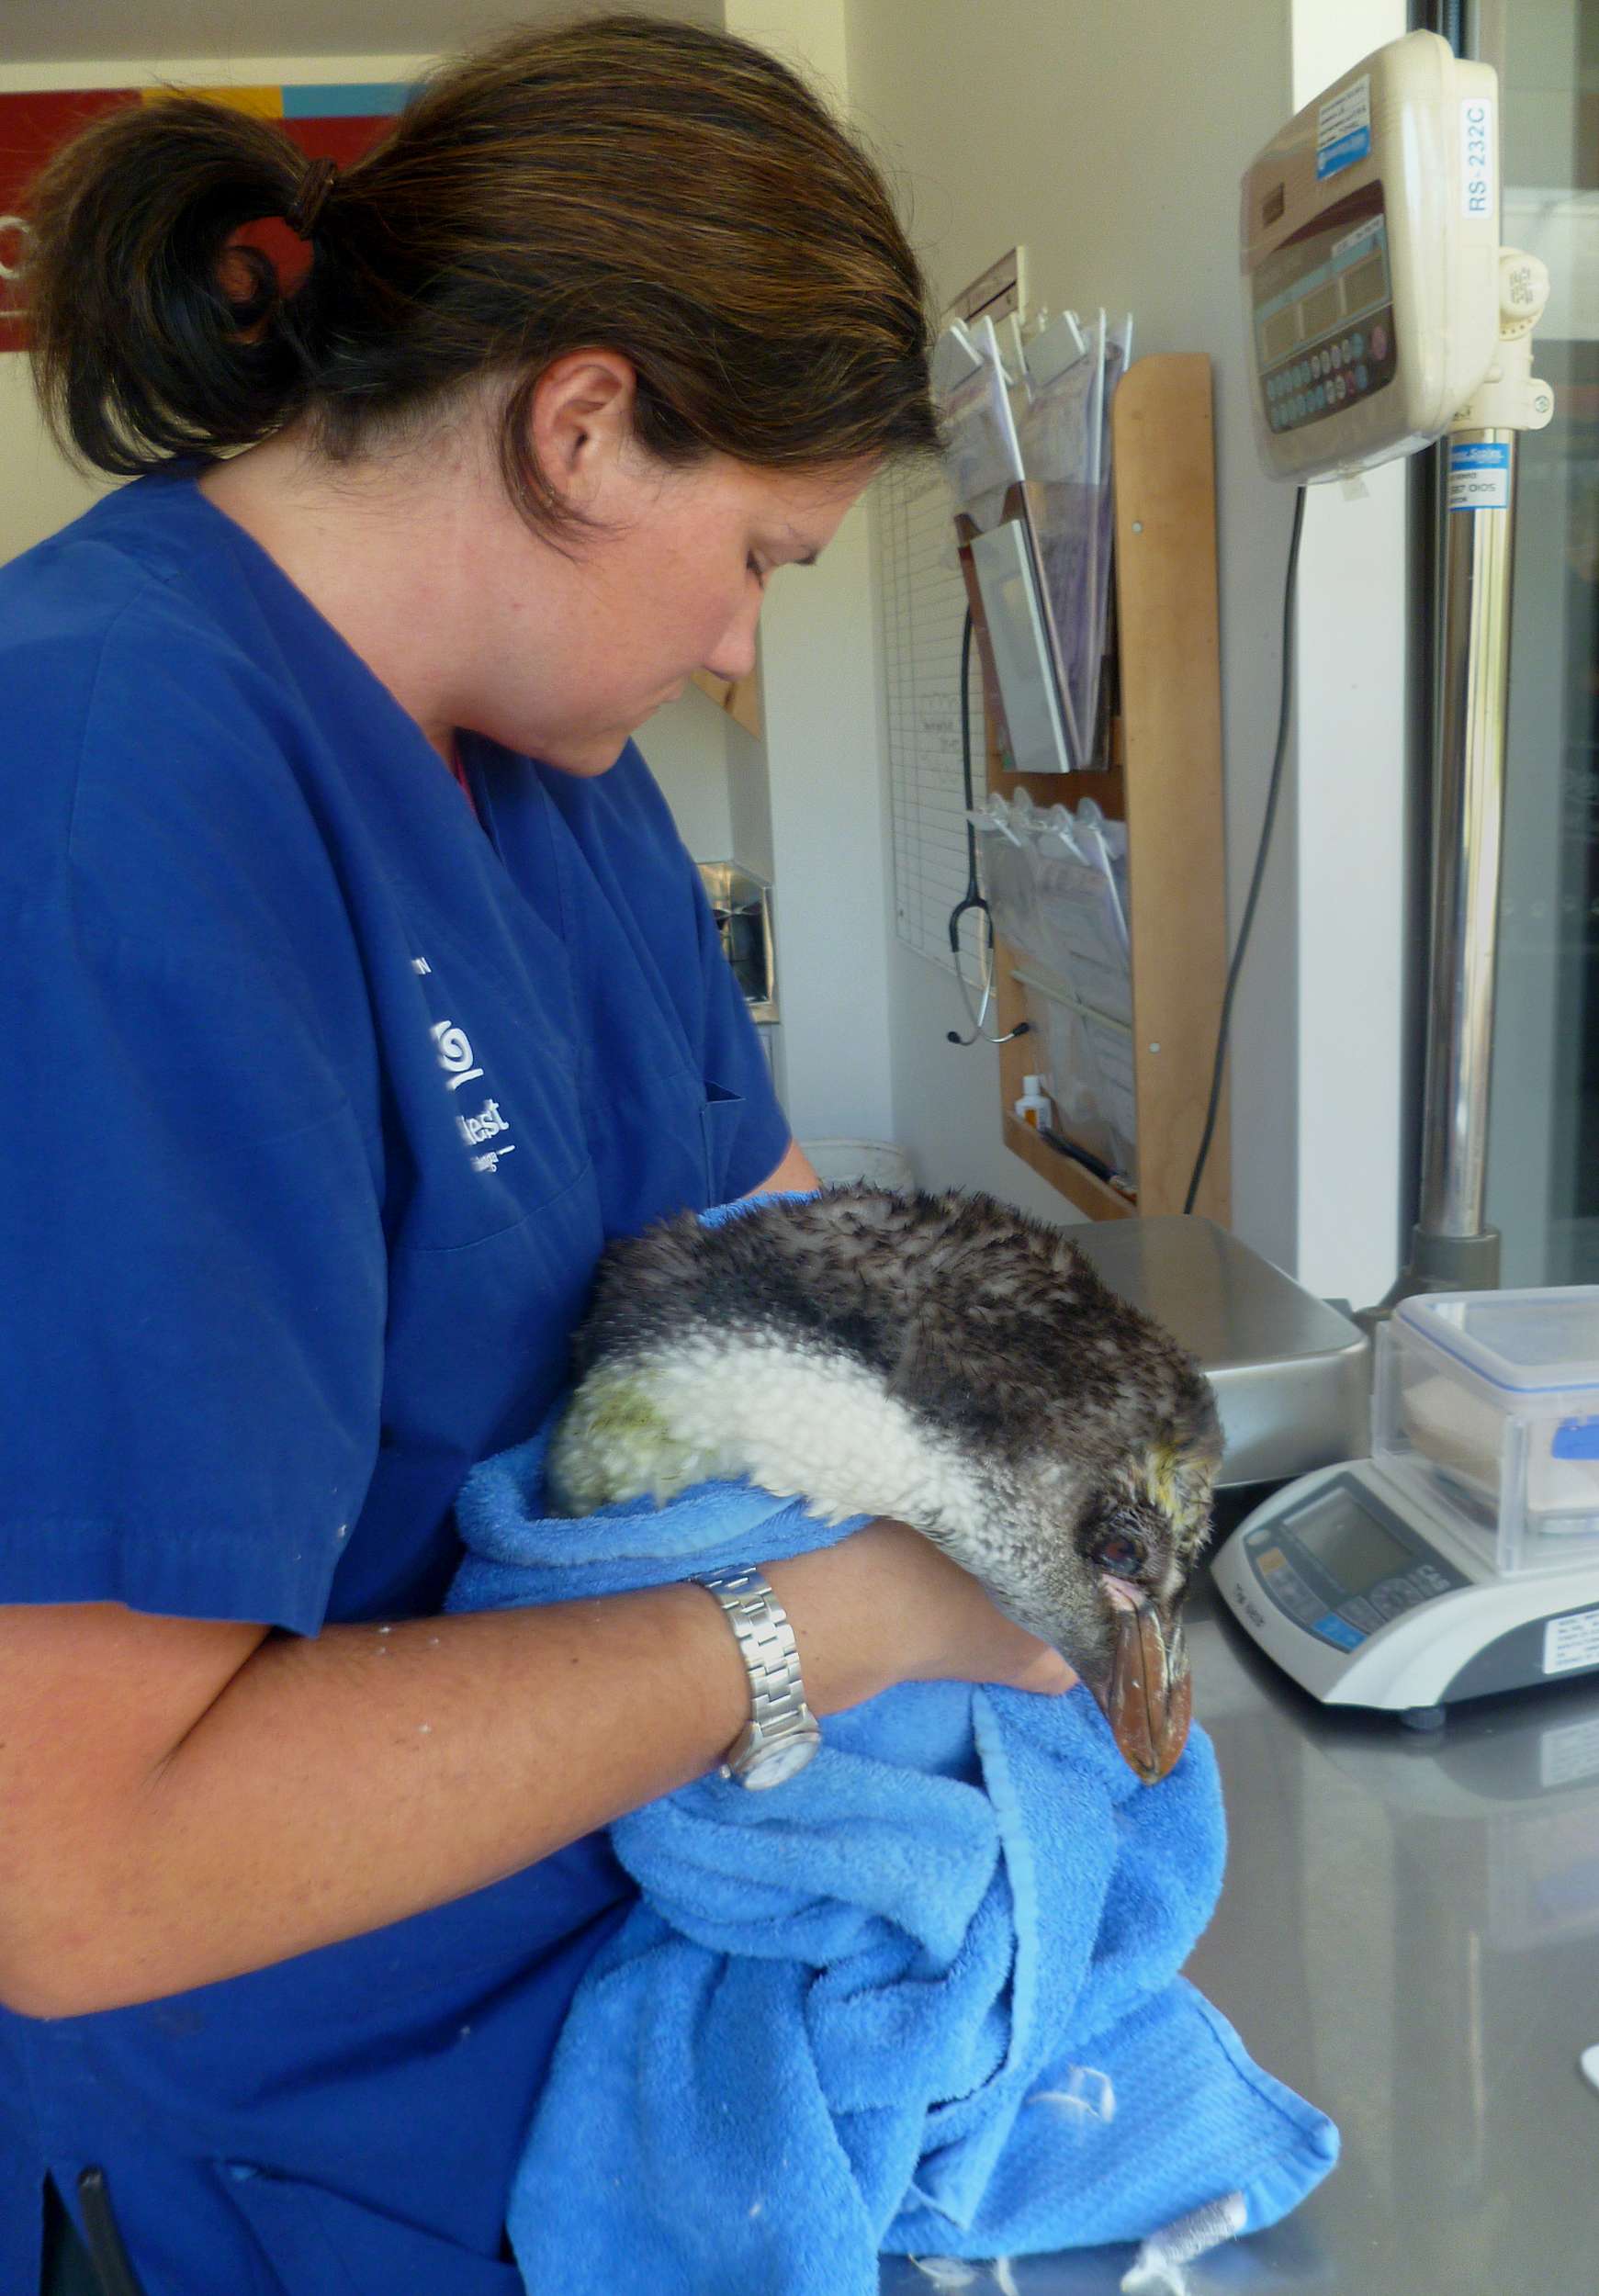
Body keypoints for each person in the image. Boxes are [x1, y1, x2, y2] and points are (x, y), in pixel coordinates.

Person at [0, 17, 1073, 2292]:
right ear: (581, 422)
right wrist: (842, 1619)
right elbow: (73, 1868)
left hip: (608, 2017)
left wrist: (1024, 1448)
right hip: (281, 2153)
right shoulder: (106, 798)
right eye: (758, 557)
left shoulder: (556, 779)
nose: (742, 649)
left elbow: (767, 1249)